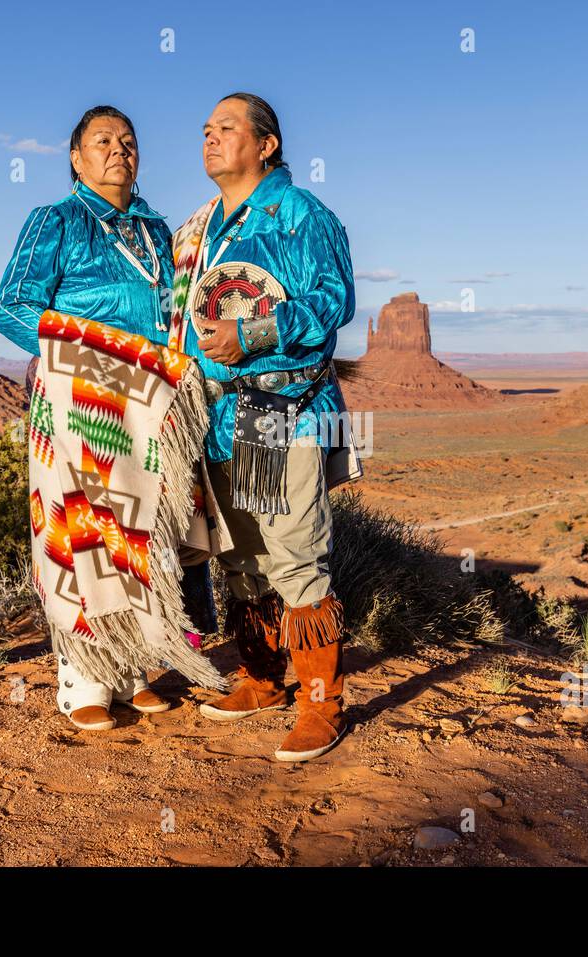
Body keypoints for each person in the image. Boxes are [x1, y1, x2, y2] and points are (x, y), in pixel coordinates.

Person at [0, 105, 225, 732]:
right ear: (76, 157)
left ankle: (137, 670)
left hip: (151, 407)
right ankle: (84, 680)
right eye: (102, 141)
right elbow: (11, 309)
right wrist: (91, 358)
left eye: (128, 140)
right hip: (78, 405)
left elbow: (179, 311)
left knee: (143, 533)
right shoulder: (56, 222)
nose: (118, 150)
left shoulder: (157, 230)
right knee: (83, 535)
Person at [167, 93, 362, 762]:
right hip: (216, 413)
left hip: (278, 407)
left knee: (294, 556)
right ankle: (259, 678)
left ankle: (321, 704)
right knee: (242, 554)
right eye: (205, 129)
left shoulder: (299, 214)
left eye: (226, 128)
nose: (210, 138)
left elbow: (333, 300)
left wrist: (253, 333)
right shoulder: (199, 228)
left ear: (267, 144)